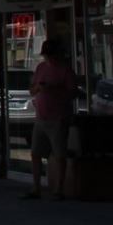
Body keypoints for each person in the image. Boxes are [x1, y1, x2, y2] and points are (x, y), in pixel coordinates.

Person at [25, 39, 77, 200]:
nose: (49, 59)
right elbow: (31, 90)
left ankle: (59, 189)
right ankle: (36, 187)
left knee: (59, 154)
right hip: (41, 117)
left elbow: (73, 93)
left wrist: (54, 89)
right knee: (35, 153)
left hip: (58, 118)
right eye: (46, 56)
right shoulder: (41, 68)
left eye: (51, 55)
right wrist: (39, 88)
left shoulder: (65, 70)